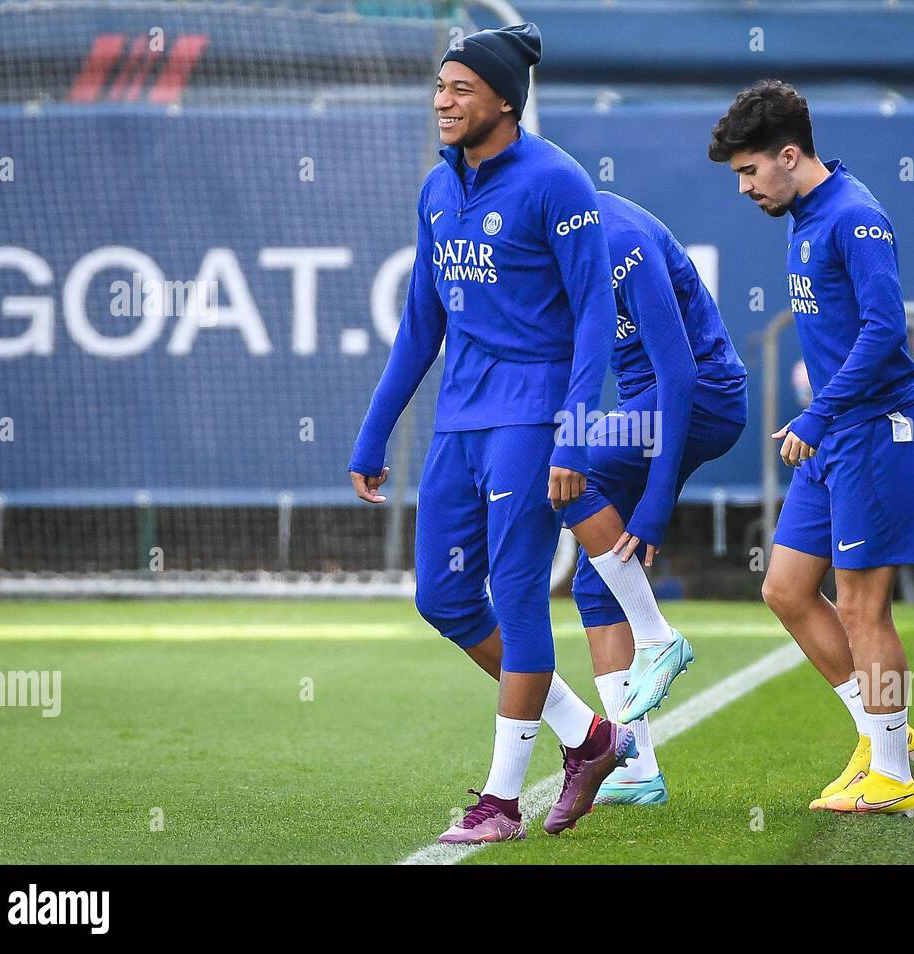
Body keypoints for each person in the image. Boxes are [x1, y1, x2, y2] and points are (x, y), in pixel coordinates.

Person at [349, 23, 631, 844]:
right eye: (439, 86)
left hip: (533, 421)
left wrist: (573, 440)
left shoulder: (558, 182)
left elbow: (594, 323)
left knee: (515, 595)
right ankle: (588, 737)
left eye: (461, 88)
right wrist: (373, 436)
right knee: (441, 598)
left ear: (505, 101)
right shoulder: (437, 190)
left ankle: (502, 803)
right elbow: (418, 326)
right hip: (459, 423)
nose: (442, 100)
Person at [709, 79, 914, 817]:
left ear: (788, 154)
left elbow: (885, 330)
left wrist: (819, 413)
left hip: (878, 432)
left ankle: (895, 774)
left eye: (749, 171)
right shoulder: (800, 212)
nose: (744, 187)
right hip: (836, 431)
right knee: (784, 588)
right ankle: (879, 740)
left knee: (864, 608)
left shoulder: (855, 217)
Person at [560, 190, 748, 805]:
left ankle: (658, 637)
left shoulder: (617, 239)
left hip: (703, 402)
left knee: (561, 461)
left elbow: (680, 376)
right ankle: (634, 766)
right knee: (596, 579)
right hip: (646, 409)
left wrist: (657, 502)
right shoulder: (550, 239)